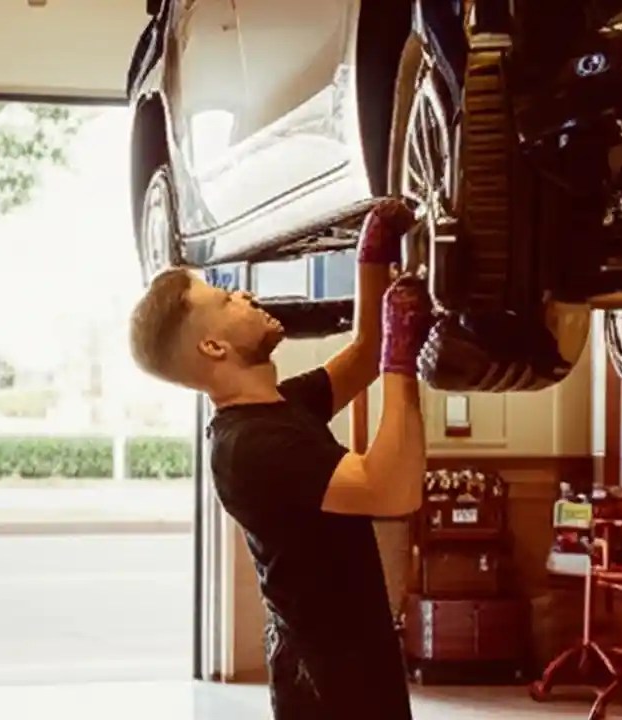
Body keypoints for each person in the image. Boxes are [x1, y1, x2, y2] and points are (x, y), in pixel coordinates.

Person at [128, 199, 432, 719]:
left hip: (349, 667)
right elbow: (392, 489)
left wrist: (372, 255)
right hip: (331, 690)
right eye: (226, 301)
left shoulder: (277, 408)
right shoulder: (252, 447)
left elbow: (363, 353)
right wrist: (402, 360)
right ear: (214, 346)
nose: (243, 295)